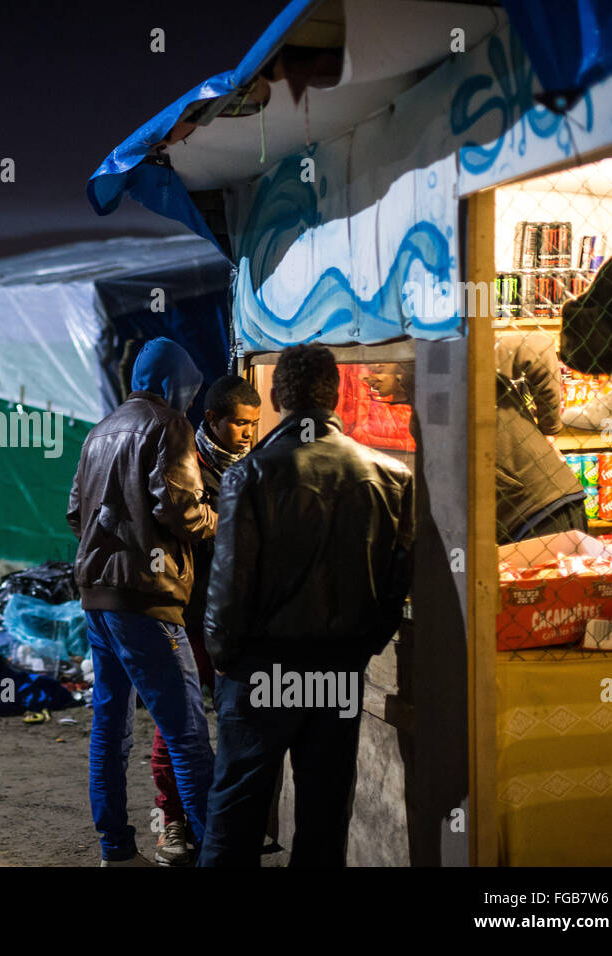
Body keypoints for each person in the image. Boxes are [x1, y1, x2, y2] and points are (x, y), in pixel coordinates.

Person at [198, 344, 415, 867]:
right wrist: (359, 649)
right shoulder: (390, 477)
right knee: (323, 816)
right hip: (338, 669)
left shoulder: (249, 475)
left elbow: (228, 590)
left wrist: (224, 658)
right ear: (335, 395)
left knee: (236, 812)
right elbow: (396, 586)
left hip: (261, 671)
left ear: (277, 395)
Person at [67, 337, 218, 866]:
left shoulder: (99, 431)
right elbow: (180, 511)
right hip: (147, 602)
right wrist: (222, 518)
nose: (191, 402)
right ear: (173, 382)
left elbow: (74, 512)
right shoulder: (167, 426)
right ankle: (214, 855)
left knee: (109, 730)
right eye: (189, 389)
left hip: (97, 601)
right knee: (186, 734)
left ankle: (116, 850)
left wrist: (113, 534)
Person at [151, 375, 261, 865]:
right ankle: (172, 821)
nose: (247, 434)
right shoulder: (184, 467)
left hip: (237, 620)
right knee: (178, 724)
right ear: (211, 420)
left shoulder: (253, 468)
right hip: (189, 617)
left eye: (253, 424)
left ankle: (224, 824)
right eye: (239, 423)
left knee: (238, 722)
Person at [494, 332, 586, 544]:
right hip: (520, 516)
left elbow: (538, 346)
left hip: (541, 510)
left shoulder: (460, 358)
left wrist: (549, 429)